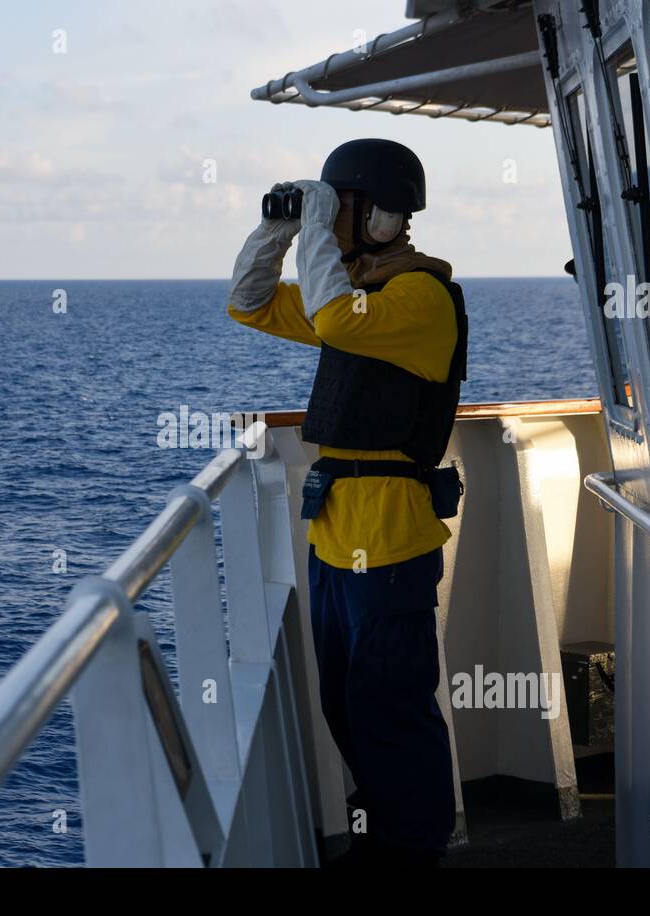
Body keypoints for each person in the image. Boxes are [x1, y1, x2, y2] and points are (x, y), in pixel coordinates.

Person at [225, 139, 467, 867]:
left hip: (389, 539)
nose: (331, 224)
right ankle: (383, 834)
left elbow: (331, 319)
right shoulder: (360, 290)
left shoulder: (420, 297)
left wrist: (320, 233)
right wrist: (280, 230)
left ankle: (413, 847)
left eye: (343, 206)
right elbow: (248, 303)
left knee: (390, 703)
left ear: (384, 214)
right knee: (346, 702)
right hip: (335, 530)